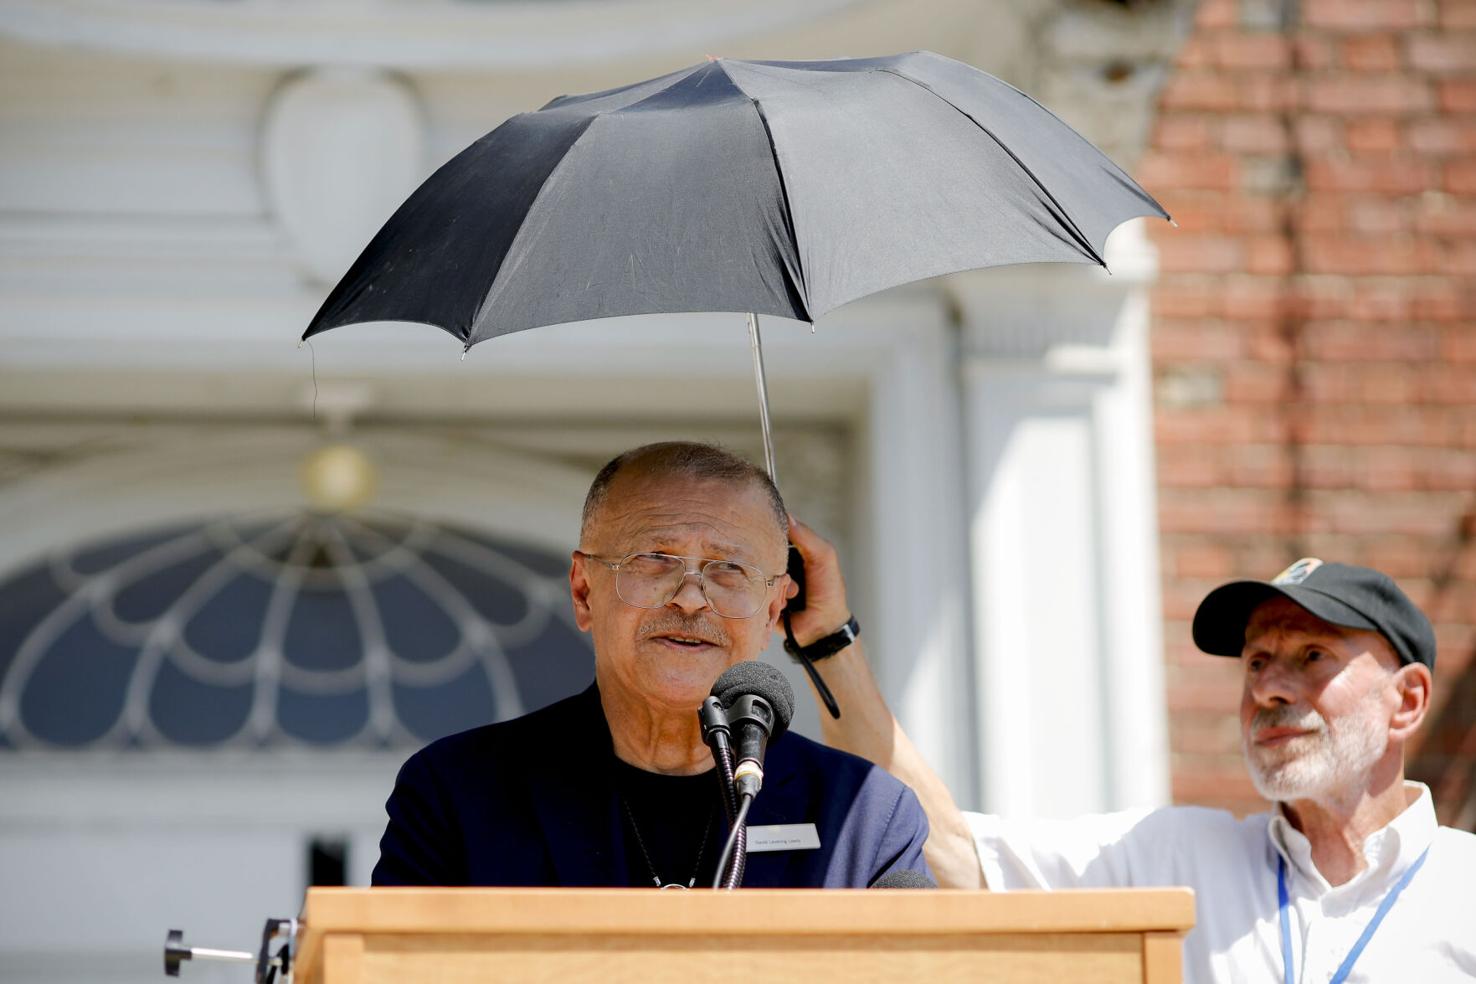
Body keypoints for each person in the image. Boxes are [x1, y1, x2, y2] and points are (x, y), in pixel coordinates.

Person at [785, 536, 1476, 982]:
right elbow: (955, 856)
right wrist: (827, 644)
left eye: (1311, 657)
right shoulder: (1175, 857)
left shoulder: (1464, 890)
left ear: (1408, 701)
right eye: (1257, 660)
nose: (1267, 686)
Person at [372, 441, 929, 889]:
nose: (690, 598)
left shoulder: (865, 818)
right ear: (584, 592)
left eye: (729, 568)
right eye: (655, 560)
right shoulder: (458, 793)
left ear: (773, 610)